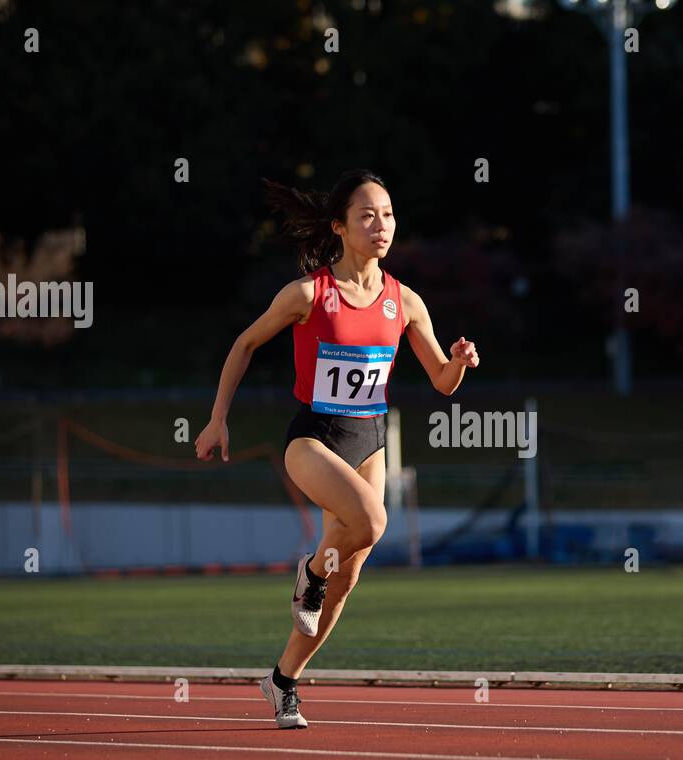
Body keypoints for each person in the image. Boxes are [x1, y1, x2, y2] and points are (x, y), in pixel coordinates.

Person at [195, 169, 480, 728]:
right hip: (314, 438)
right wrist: (216, 420)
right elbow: (245, 342)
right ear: (340, 227)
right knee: (372, 522)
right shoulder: (309, 293)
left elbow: (442, 384)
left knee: (347, 580)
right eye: (368, 215)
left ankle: (282, 682)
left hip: (369, 438)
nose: (382, 226)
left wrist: (459, 362)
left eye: (390, 215)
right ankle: (311, 571)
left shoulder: (405, 302)